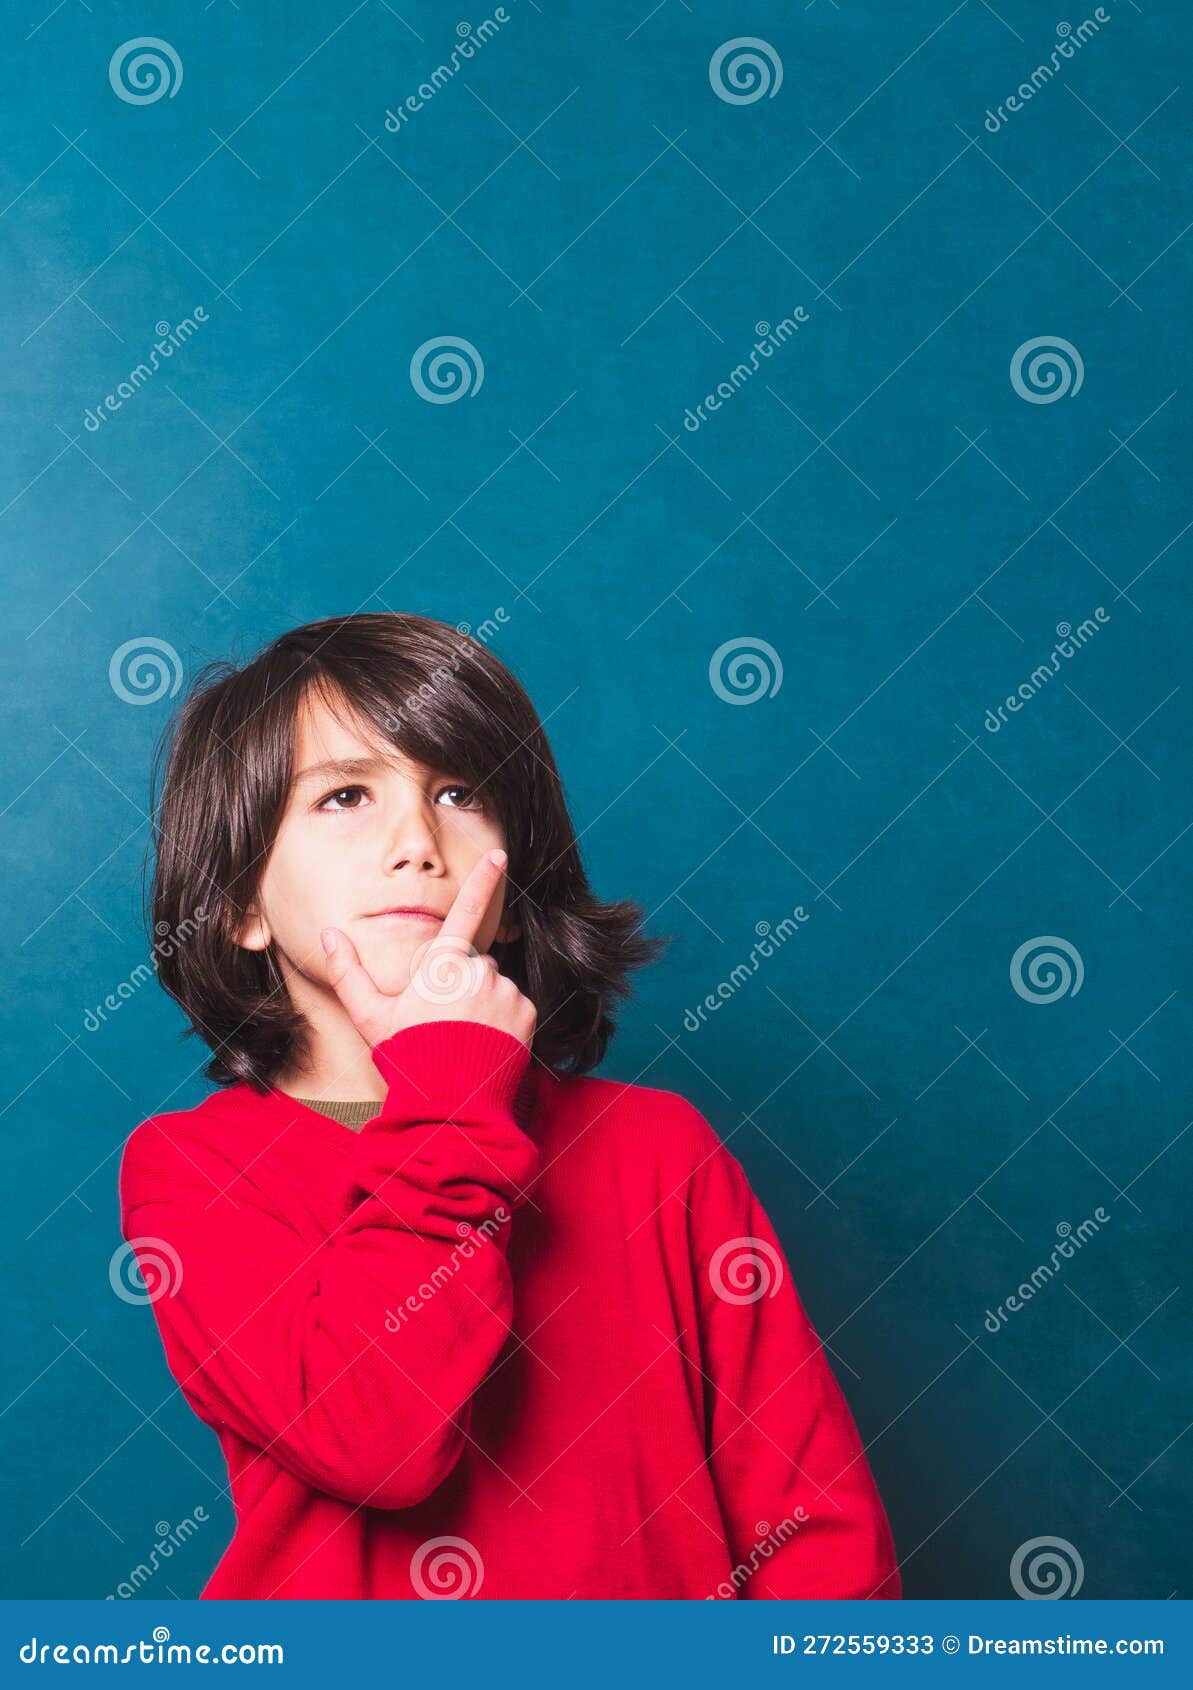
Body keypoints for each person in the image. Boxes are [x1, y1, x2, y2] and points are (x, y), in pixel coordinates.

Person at [118, 611, 901, 1600]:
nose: (415, 840)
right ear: (239, 904)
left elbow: (812, 1526)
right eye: (347, 795)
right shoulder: (189, 1170)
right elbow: (376, 1438)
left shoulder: (656, 1148)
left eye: (457, 791)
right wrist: (447, 1084)